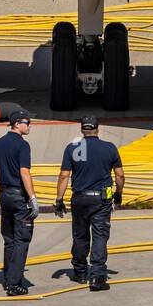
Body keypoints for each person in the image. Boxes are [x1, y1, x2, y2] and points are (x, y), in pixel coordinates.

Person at [54, 115, 124, 292]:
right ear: (98, 129)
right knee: (100, 235)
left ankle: (80, 272)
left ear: (82, 130)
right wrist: (118, 194)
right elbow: (120, 175)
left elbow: (64, 176)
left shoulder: (72, 148)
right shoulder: (109, 148)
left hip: (80, 198)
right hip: (101, 200)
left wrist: (59, 200)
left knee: (80, 235)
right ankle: (98, 276)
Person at [0, 111, 39, 296]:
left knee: (9, 238)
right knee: (22, 239)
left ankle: (7, 275)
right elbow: (24, 173)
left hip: (5, 194)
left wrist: (2, 192)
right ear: (17, 124)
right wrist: (33, 198)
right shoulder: (23, 145)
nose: (29, 126)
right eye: (27, 123)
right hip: (19, 196)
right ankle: (14, 284)